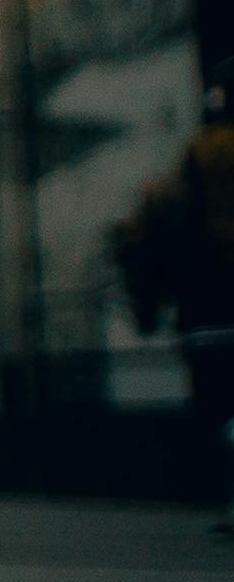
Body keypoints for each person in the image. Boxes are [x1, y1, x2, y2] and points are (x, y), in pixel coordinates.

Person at [116, 88, 234, 538]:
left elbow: (152, 238)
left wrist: (149, 305)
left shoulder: (192, 162)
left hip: (205, 304)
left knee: (219, 404)